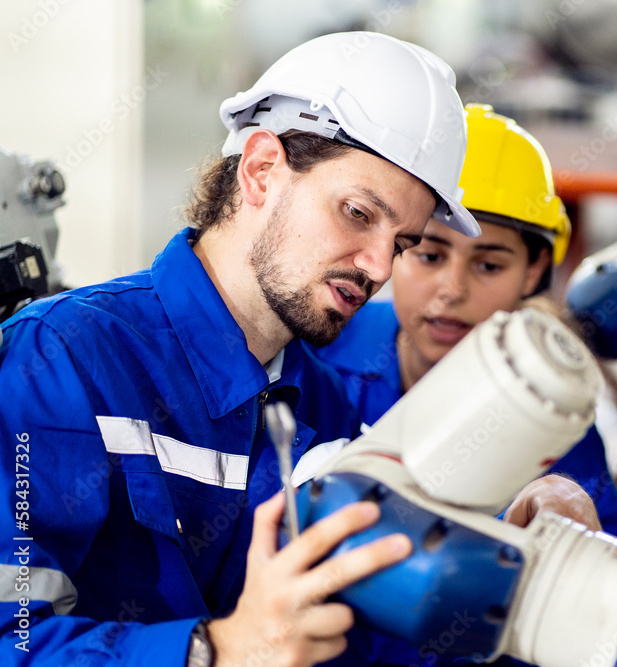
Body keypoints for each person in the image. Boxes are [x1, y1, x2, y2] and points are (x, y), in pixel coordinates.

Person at [0, 32, 482, 667]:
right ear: (260, 170)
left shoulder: (325, 412)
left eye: (400, 244)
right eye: (359, 213)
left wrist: (500, 545)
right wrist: (212, 651)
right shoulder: (64, 362)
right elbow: (16, 639)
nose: (377, 268)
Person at [317, 104, 617, 540]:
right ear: (394, 245)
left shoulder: (552, 419)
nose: (452, 289)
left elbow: (602, 591)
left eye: (488, 266)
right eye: (429, 256)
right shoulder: (319, 353)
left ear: (534, 271)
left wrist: (573, 529)